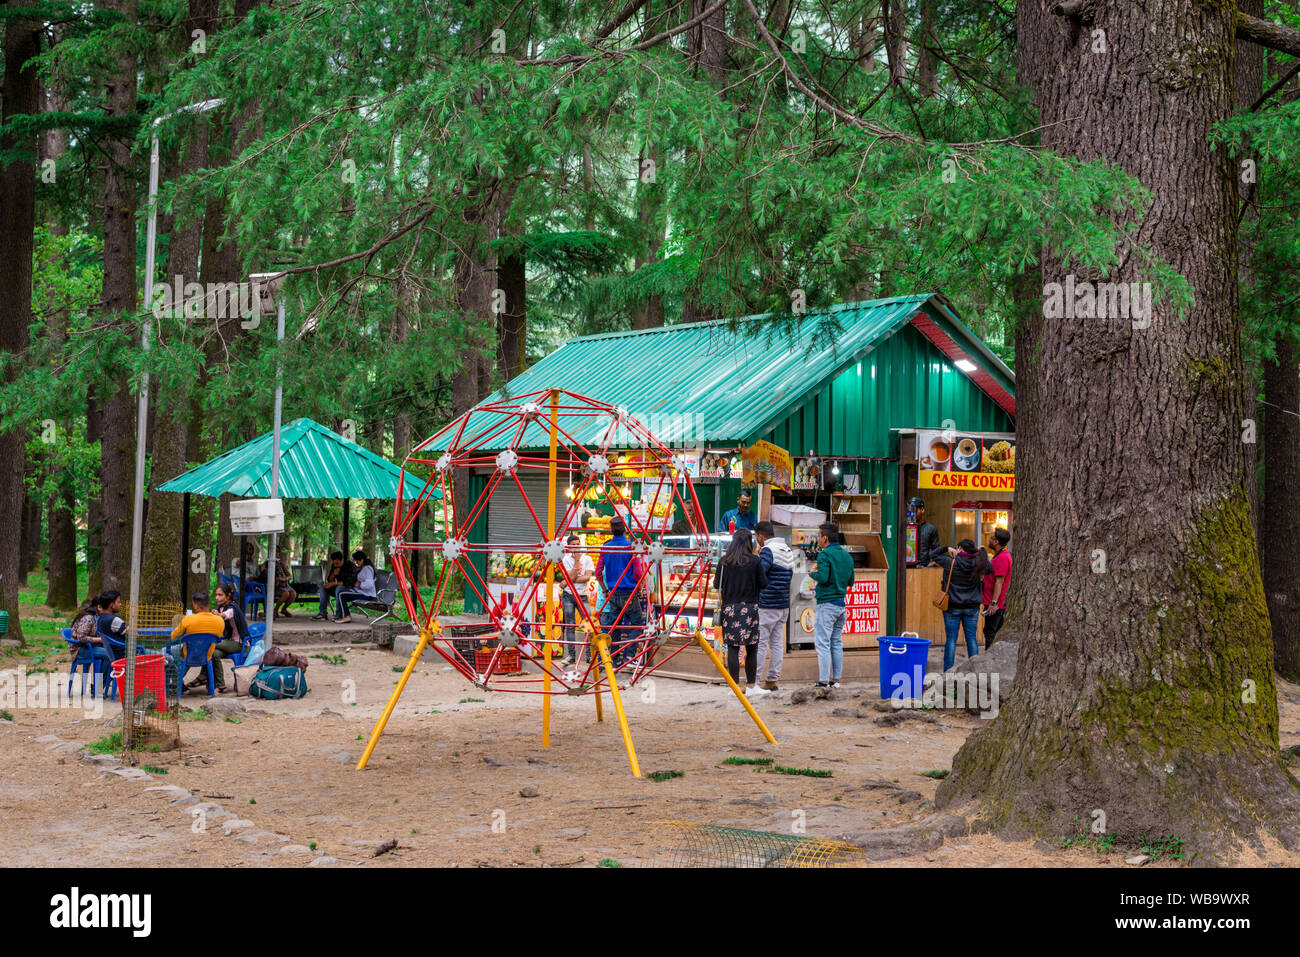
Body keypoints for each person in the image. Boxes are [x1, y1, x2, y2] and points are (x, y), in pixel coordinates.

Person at [713, 528, 768, 695]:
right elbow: (763, 583)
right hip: (750, 608)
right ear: (749, 543)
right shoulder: (755, 561)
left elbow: (717, 585)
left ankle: (734, 687)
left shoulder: (724, 561)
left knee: (732, 647)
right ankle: (751, 686)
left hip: (729, 608)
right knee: (752, 647)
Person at [931, 539, 991, 671]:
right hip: (972, 607)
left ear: (959, 549)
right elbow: (990, 568)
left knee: (951, 639)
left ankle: (948, 673)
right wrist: (981, 553)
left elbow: (933, 555)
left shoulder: (950, 562)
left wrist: (946, 548)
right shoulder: (978, 563)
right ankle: (974, 671)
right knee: (971, 639)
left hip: (952, 607)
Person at [594, 517, 644, 670]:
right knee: (637, 624)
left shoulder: (606, 548)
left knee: (614, 627)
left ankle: (614, 660)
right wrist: (639, 587)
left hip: (613, 593)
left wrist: (604, 590)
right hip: (629, 593)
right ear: (625, 529)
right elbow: (638, 572)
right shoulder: (630, 547)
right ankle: (630, 655)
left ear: (611, 530)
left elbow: (598, 573)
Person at [809, 522, 853, 688]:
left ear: (825, 538)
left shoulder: (824, 555)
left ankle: (823, 681)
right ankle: (836, 679)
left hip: (826, 604)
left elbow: (824, 577)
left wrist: (812, 574)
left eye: (819, 536)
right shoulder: (847, 556)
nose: (817, 539)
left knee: (823, 643)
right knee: (836, 642)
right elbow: (851, 581)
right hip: (841, 605)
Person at [754, 520, 794, 691]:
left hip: (767, 604)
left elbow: (759, 574)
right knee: (777, 643)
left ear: (761, 537)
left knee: (760, 643)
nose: (757, 541)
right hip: (783, 604)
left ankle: (753, 682)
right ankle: (772, 680)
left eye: (757, 538)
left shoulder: (767, 550)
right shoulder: (788, 550)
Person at [168, 592, 232, 693]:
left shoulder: (188, 619)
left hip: (188, 654)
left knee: (167, 651)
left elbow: (173, 637)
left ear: (196, 606)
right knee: (191, 649)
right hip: (207, 655)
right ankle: (179, 684)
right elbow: (218, 636)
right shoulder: (219, 621)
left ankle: (176, 683)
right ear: (208, 605)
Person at [559, 533, 594, 666]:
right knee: (570, 625)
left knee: (588, 624)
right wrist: (576, 563)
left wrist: (568, 580)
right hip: (568, 595)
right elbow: (572, 578)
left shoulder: (588, 559)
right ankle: (571, 655)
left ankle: (589, 656)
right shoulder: (565, 559)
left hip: (582, 595)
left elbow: (586, 577)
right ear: (568, 547)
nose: (576, 547)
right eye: (573, 545)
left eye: (578, 544)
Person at [981, 527, 1012, 647]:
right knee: (991, 632)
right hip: (993, 601)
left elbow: (999, 582)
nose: (989, 539)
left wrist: (993, 603)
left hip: (995, 604)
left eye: (991, 537)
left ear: (996, 542)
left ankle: (990, 660)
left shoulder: (1002, 557)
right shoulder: (999, 556)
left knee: (990, 633)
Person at [70, 595, 113, 669]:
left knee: (113, 651)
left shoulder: (98, 617)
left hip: (91, 646)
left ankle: (100, 679)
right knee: (110, 655)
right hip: (80, 650)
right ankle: (101, 679)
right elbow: (81, 637)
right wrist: (100, 639)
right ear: (99, 607)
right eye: (107, 608)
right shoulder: (88, 618)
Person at [333, 549, 377, 622]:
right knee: (341, 590)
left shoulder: (367, 568)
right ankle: (340, 614)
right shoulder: (363, 567)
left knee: (341, 595)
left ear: (362, 559)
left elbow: (370, 584)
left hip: (368, 595)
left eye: (357, 561)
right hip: (361, 593)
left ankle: (346, 616)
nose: (356, 562)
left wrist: (360, 585)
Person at [312, 550, 356, 620]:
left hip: (350, 590)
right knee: (324, 587)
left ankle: (339, 614)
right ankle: (323, 613)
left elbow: (349, 583)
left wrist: (333, 583)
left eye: (337, 563)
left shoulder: (351, 566)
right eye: (334, 563)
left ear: (342, 560)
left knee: (339, 588)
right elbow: (330, 579)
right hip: (338, 588)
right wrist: (333, 575)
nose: (335, 565)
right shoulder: (334, 565)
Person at [256, 546, 298, 618]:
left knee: (293, 594)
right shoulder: (266, 563)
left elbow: (289, 575)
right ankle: (275, 610)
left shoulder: (281, 564)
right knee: (286, 594)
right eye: (275, 551)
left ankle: (283, 609)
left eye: (278, 552)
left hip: (284, 584)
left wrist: (284, 579)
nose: (277, 553)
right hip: (273, 586)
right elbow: (262, 574)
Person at [214, 583, 250, 647]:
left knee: (212, 644)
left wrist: (218, 614)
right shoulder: (221, 607)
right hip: (229, 641)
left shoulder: (233, 607)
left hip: (241, 644)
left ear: (228, 596)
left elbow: (226, 615)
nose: (217, 597)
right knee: (215, 653)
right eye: (216, 595)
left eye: (220, 595)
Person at [909, 497, 941, 566]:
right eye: (910, 511)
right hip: (905, 566)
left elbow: (936, 551)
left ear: (922, 509)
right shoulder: (905, 527)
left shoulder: (931, 528)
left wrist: (932, 563)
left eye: (914, 510)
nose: (912, 513)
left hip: (924, 567)